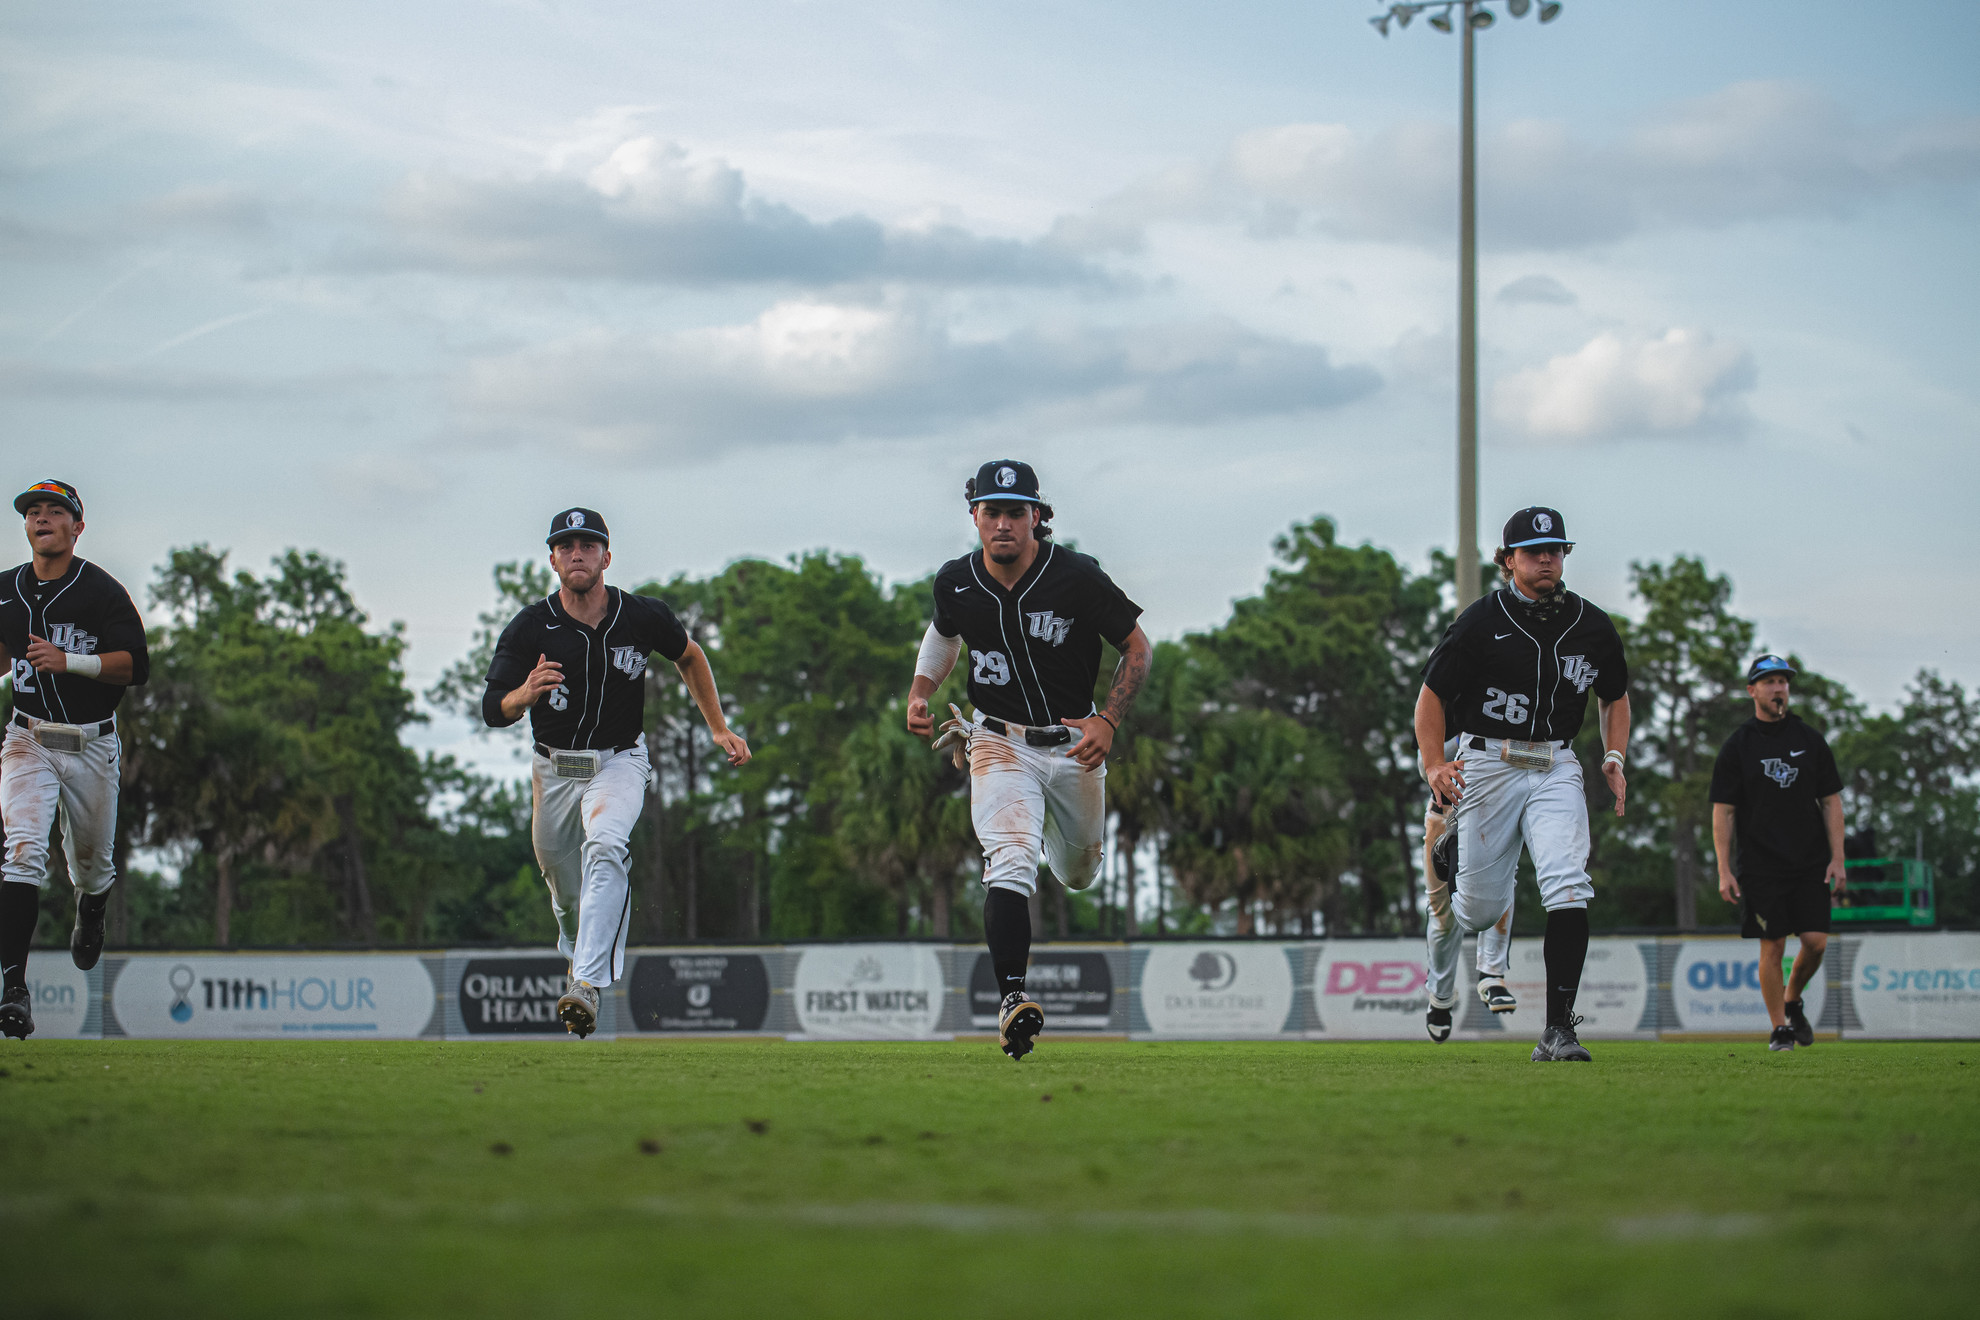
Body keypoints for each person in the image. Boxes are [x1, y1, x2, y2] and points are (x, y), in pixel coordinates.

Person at [905, 461, 1152, 1060]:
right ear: (975, 518)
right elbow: (944, 633)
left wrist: (1109, 720)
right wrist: (920, 689)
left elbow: (1137, 648)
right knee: (1010, 859)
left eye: (1016, 511)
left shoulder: (1076, 576)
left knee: (1078, 872)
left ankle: (1055, 844)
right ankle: (1013, 998)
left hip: (1072, 745)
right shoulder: (956, 581)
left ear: (1038, 516)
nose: (1004, 523)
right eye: (992, 511)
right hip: (997, 741)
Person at [482, 508, 749, 1038]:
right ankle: (574, 948)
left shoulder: (640, 615)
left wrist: (717, 727)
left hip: (619, 761)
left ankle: (584, 985)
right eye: (566, 545)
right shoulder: (531, 626)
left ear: (607, 556)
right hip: (554, 772)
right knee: (564, 890)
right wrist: (524, 694)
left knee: (606, 845)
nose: (577, 552)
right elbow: (494, 709)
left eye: (588, 543)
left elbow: (690, 657)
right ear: (553, 559)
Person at [1416, 507, 1630, 1061]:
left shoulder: (1592, 624)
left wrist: (1613, 754)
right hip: (1488, 762)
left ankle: (1560, 1029)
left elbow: (1615, 693)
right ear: (1508, 560)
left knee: (1567, 885)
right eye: (1533, 551)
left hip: (1556, 765)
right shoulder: (1479, 620)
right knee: (1478, 914)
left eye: (1555, 550)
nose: (1545, 559)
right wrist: (1434, 763)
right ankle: (1457, 852)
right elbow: (1431, 697)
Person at [0, 480, 150, 1041]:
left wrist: (71, 662)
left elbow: (136, 667)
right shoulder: (6, 591)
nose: (42, 518)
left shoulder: (102, 592)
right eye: (33, 512)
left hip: (91, 743)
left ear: (77, 527)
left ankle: (91, 911)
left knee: (91, 870)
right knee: (22, 850)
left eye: (54, 511)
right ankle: (13, 988)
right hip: (29, 738)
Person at [1710, 654, 1846, 1051]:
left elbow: (1832, 802)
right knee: (1773, 946)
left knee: (1816, 941)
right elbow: (1724, 811)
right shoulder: (1738, 746)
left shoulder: (1810, 740)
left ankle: (1792, 998)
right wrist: (1723, 868)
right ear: (1752, 690)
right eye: (1769, 682)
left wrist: (1838, 857)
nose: (1778, 688)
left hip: (1809, 861)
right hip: (1761, 864)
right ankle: (1779, 1028)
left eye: (1783, 681)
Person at [1423, 728, 1516, 1017]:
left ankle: (1492, 973)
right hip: (1445, 812)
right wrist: (1467, 741)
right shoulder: (1438, 698)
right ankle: (1440, 994)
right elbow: (1421, 764)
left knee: (1502, 882)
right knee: (1442, 915)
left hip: (1494, 808)